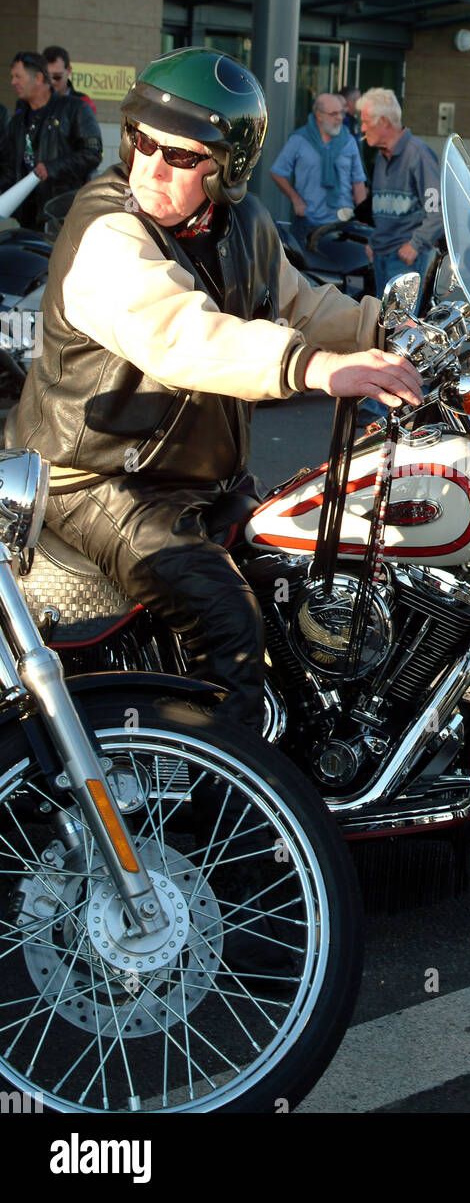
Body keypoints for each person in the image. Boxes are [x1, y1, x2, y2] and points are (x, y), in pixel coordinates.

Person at [11, 48, 422, 746]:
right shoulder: (105, 228)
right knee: (226, 616)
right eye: (141, 142)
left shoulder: (246, 227)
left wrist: (397, 329)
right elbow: (177, 333)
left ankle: (317, 749)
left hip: (198, 479)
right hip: (100, 480)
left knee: (299, 564)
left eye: (179, 156)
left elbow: (298, 301)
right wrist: (312, 367)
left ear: (227, 169)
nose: (150, 167)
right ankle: (231, 819)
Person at [0, 51, 102, 229]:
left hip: (63, 218)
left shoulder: (75, 109)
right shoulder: (18, 121)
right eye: (12, 77)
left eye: (18, 76)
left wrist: (53, 167)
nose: (13, 82)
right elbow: (9, 167)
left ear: (38, 78)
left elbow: (92, 153)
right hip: (27, 221)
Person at [358, 86, 444, 298]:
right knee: (383, 324)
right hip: (381, 253)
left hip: (405, 255)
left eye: (366, 122)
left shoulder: (418, 154)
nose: (362, 128)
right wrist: (373, 241)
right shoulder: (380, 156)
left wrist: (415, 244)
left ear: (384, 122)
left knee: (400, 327)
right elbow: (380, 206)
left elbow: (439, 210)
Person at [269, 92, 367, 242]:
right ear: (319, 115)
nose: (340, 118)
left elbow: (358, 184)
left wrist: (362, 217)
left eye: (341, 112)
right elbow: (278, 172)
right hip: (308, 223)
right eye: (334, 114)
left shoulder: (348, 141)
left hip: (342, 224)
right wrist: (296, 200)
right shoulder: (300, 139)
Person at [42, 45, 98, 115]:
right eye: (46, 77)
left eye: (57, 76)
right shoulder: (32, 102)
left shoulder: (83, 102)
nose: (52, 82)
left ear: (68, 70)